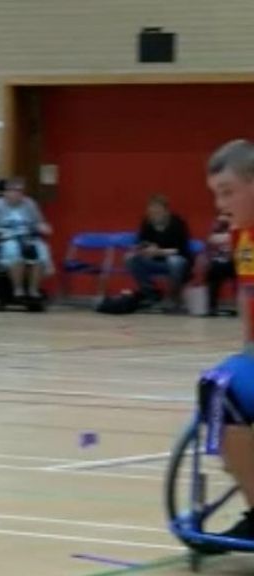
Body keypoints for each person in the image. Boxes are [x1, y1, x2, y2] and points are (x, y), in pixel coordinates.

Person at [198, 138, 254, 548]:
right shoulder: (246, 239)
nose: (221, 204)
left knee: (219, 387)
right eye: (216, 194)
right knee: (219, 387)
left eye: (228, 192)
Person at [0, 176, 53, 300]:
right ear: (6, 192)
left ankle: (33, 290)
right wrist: (2, 231)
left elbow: (38, 222)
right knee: (13, 251)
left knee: (40, 251)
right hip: (5, 237)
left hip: (27, 236)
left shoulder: (29, 203)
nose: (18, 194)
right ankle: (18, 289)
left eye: (20, 191)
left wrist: (43, 227)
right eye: (14, 190)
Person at [126, 194, 193, 311]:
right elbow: (141, 243)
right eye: (151, 210)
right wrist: (143, 250)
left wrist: (160, 252)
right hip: (153, 261)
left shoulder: (177, 223)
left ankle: (173, 296)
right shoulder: (146, 223)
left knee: (175, 262)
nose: (154, 213)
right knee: (130, 259)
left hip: (175, 261)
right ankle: (151, 294)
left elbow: (181, 250)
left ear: (166, 210)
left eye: (157, 209)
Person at [206, 210, 237, 317]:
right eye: (221, 215)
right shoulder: (216, 229)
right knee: (213, 270)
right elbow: (211, 240)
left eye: (227, 215)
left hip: (236, 262)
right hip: (219, 262)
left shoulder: (237, 227)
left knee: (241, 270)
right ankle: (212, 306)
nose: (223, 218)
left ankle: (239, 304)